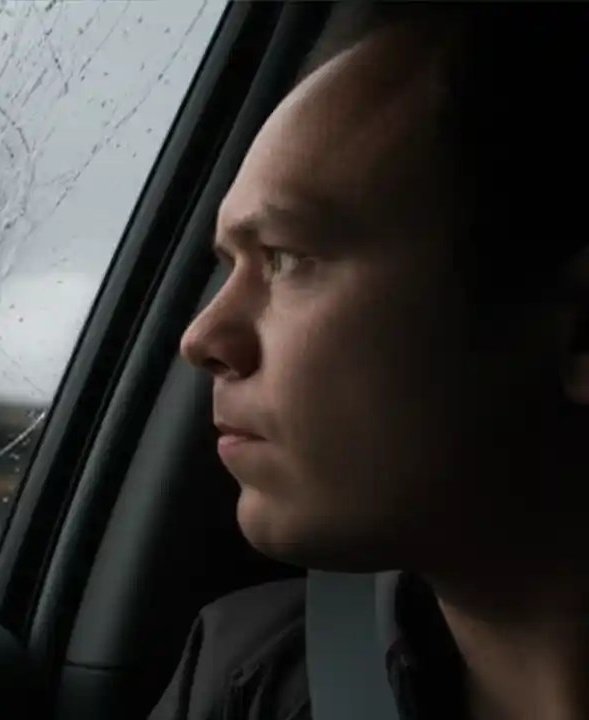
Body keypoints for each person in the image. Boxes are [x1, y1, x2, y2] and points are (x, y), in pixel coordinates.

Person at [152, 3, 589, 719]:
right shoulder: (248, 679)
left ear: (579, 332)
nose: (201, 337)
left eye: (288, 258)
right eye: (229, 264)